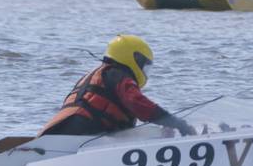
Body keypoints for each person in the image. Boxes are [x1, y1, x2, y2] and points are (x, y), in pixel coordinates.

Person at [38, 35, 196, 137]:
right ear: (133, 58)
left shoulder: (101, 74)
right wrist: (174, 122)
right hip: (80, 134)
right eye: (144, 65)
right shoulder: (118, 75)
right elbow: (138, 103)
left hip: (64, 132)